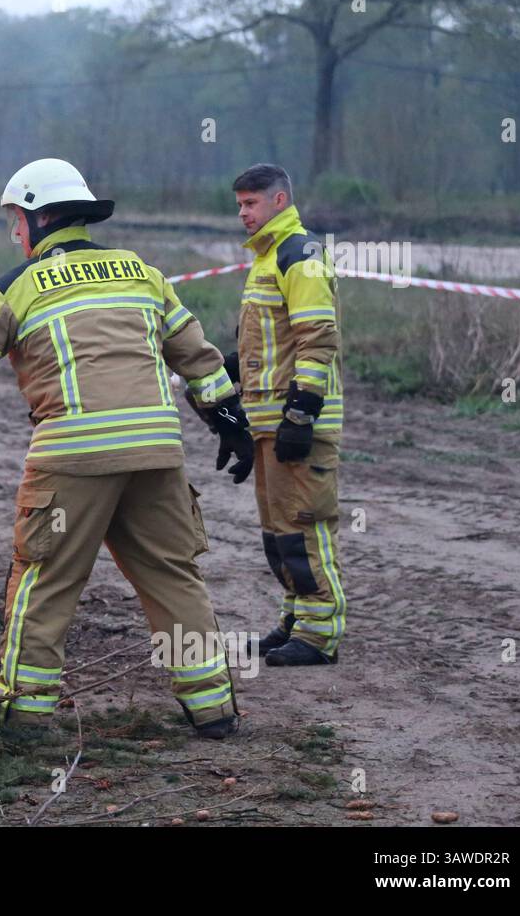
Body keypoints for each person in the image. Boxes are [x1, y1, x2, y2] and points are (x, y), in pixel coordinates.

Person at [0, 158, 254, 738]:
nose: (14, 234)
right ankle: (214, 710)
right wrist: (227, 419)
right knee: (174, 577)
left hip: (74, 458)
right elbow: (196, 355)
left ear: (38, 219)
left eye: (15, 221)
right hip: (155, 453)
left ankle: (26, 716)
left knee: (45, 582)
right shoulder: (142, 272)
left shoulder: (16, 287)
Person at [231, 163, 346, 666]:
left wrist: (302, 414)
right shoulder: (267, 258)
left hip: (298, 424)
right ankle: (296, 620)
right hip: (267, 425)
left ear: (279, 201)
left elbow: (316, 340)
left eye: (250, 203)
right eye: (239, 205)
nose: (242, 214)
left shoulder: (301, 255)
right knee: (278, 533)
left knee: (305, 526)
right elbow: (269, 343)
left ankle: (321, 635)